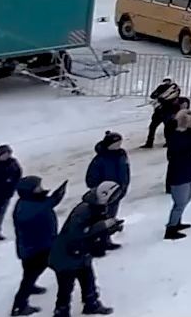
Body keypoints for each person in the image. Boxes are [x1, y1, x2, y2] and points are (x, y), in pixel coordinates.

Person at [48, 183, 121, 317]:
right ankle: (61, 313)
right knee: (66, 288)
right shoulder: (83, 211)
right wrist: (103, 226)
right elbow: (79, 234)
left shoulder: (97, 208)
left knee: (88, 280)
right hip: (66, 256)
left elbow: (93, 232)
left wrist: (108, 229)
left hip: (81, 253)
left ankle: (91, 304)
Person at [10, 176, 67, 315]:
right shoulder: (28, 209)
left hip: (35, 247)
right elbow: (44, 206)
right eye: (38, 187)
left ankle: (30, 289)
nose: (41, 189)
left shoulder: (30, 202)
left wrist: (57, 195)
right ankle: (19, 306)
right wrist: (54, 198)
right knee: (34, 274)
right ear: (29, 191)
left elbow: (46, 203)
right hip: (37, 250)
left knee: (30, 274)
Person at [161, 109, 191, 239]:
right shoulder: (177, 137)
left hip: (190, 172)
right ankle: (171, 228)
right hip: (180, 174)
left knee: (186, 199)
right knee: (179, 203)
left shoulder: (190, 133)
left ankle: (177, 222)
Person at [82, 135, 128, 210]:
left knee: (112, 210)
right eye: (115, 144)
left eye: (119, 143)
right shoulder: (101, 158)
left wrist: (123, 187)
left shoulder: (121, 156)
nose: (118, 145)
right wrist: (95, 188)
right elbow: (92, 174)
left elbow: (125, 173)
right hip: (103, 192)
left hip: (117, 190)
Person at [0, 145, 18, 240]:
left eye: (7, 154)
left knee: (0, 215)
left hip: (5, 195)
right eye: (3, 154)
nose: (6, 156)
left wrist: (12, 184)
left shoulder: (13, 164)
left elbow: (18, 174)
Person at [141, 79, 181, 149]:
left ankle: (169, 142)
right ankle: (149, 143)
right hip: (159, 111)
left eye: (168, 81)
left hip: (168, 111)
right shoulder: (161, 87)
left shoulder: (175, 88)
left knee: (168, 128)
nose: (166, 82)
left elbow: (173, 99)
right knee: (152, 126)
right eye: (165, 81)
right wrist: (159, 97)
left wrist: (162, 99)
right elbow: (153, 95)